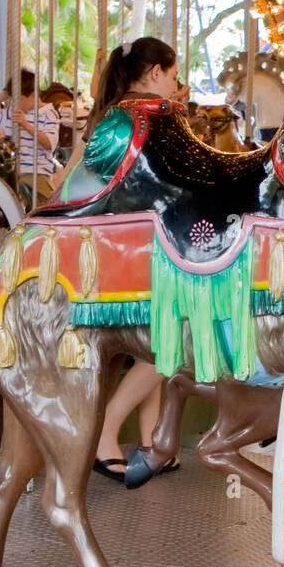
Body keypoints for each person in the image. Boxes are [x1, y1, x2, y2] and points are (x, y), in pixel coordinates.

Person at [85, 38, 188, 482]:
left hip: (117, 243)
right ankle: (106, 429)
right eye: (173, 73)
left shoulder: (113, 113)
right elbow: (177, 181)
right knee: (174, 340)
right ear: (156, 73)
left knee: (158, 340)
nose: (177, 83)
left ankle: (152, 440)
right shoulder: (151, 116)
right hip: (139, 246)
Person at [0, 69, 60, 206]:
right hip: (10, 173)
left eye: (20, 99)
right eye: (13, 99)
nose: (16, 104)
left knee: (45, 209)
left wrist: (26, 125)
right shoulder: (10, 113)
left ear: (33, 95)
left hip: (35, 174)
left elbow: (49, 144)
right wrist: (1, 97)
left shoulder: (48, 114)